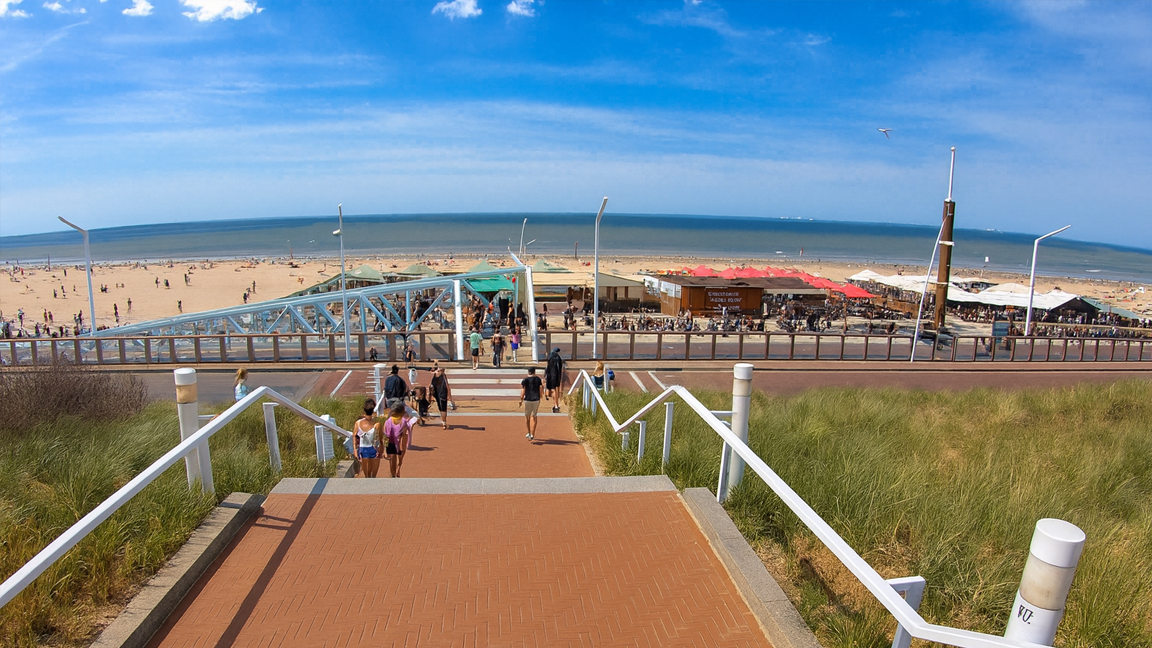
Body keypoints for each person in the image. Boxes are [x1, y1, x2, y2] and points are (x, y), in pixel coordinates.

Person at [383, 401, 413, 478]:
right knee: (396, 458)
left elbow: (386, 436)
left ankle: (393, 472)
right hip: (397, 443)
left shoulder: (389, 421)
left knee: (392, 459)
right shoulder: (401, 421)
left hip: (393, 442)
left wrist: (385, 450)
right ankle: (396, 469)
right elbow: (404, 434)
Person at [354, 399, 382, 478]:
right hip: (374, 449)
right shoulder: (377, 424)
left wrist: (355, 450)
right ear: (373, 411)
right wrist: (381, 451)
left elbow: (354, 437)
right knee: (373, 476)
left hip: (363, 450)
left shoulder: (358, 423)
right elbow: (380, 440)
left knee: (367, 476)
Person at [519, 366, 543, 440]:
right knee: (534, 416)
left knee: (527, 416)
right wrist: (541, 396)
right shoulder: (538, 379)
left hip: (528, 399)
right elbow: (540, 389)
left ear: (528, 372)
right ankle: (533, 433)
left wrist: (521, 399)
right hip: (536, 399)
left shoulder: (525, 380)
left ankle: (529, 432)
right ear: (534, 372)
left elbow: (523, 390)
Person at [544, 348, 565, 413]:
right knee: (556, 389)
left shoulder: (550, 357)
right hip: (557, 376)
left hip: (550, 376)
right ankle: (556, 405)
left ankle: (554, 403)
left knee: (551, 389)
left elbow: (547, 368)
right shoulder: (558, 358)